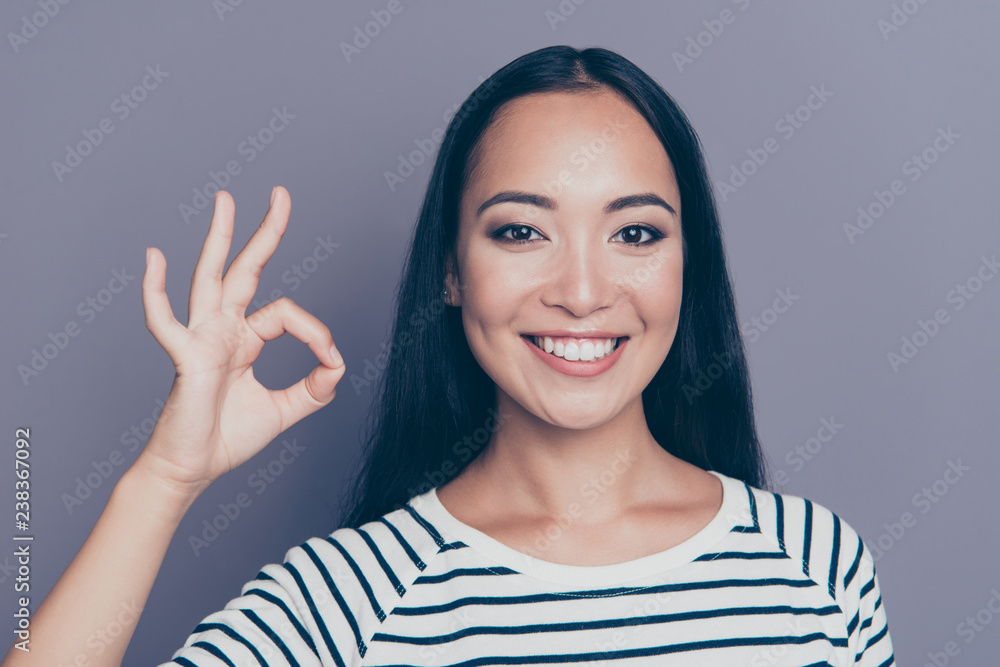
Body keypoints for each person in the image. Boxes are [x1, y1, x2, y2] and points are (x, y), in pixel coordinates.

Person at [1, 45, 894, 666]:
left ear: (685, 267)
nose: (583, 290)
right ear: (452, 272)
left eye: (633, 232)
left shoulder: (817, 566)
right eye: (520, 230)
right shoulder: (348, 597)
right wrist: (166, 477)